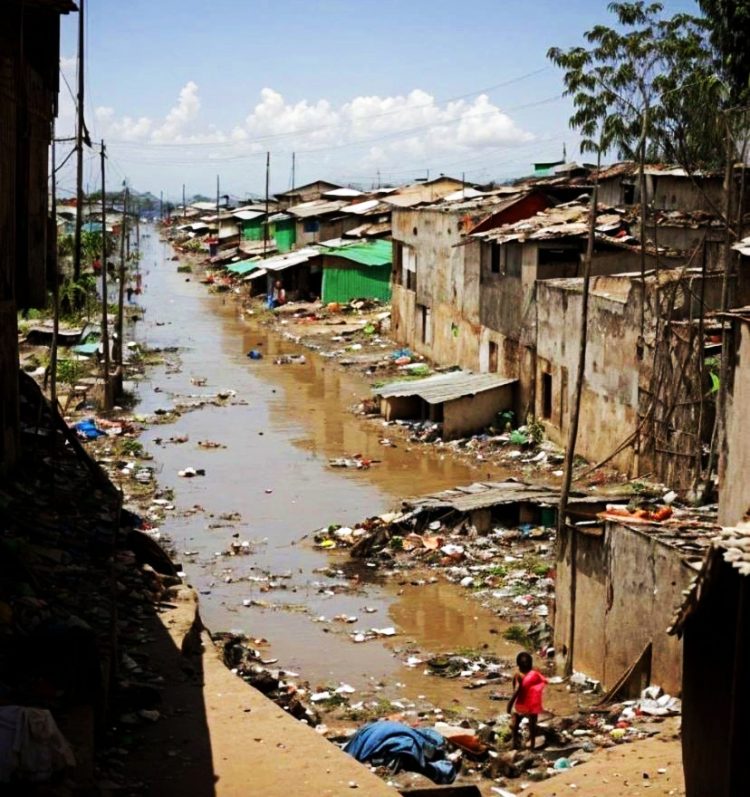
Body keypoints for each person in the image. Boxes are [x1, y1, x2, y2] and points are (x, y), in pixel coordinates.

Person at [507, 651, 547, 750]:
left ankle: (514, 744)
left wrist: (509, 705)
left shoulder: (518, 675)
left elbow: (516, 691)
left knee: (515, 724)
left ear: (518, 665)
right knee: (532, 725)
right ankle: (531, 746)